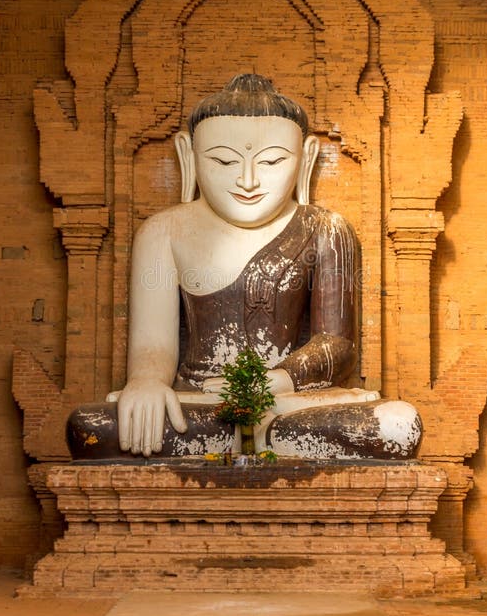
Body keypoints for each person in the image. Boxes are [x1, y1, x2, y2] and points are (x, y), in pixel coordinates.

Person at [67, 74, 421, 460]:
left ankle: (265, 426)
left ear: (305, 157)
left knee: (397, 424)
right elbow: (153, 346)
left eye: (272, 161)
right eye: (223, 160)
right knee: (91, 428)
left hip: (290, 399)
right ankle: (260, 432)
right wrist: (146, 384)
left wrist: (274, 384)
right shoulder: (164, 231)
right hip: (200, 404)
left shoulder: (324, 228)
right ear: (189, 155)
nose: (248, 180)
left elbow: (336, 345)